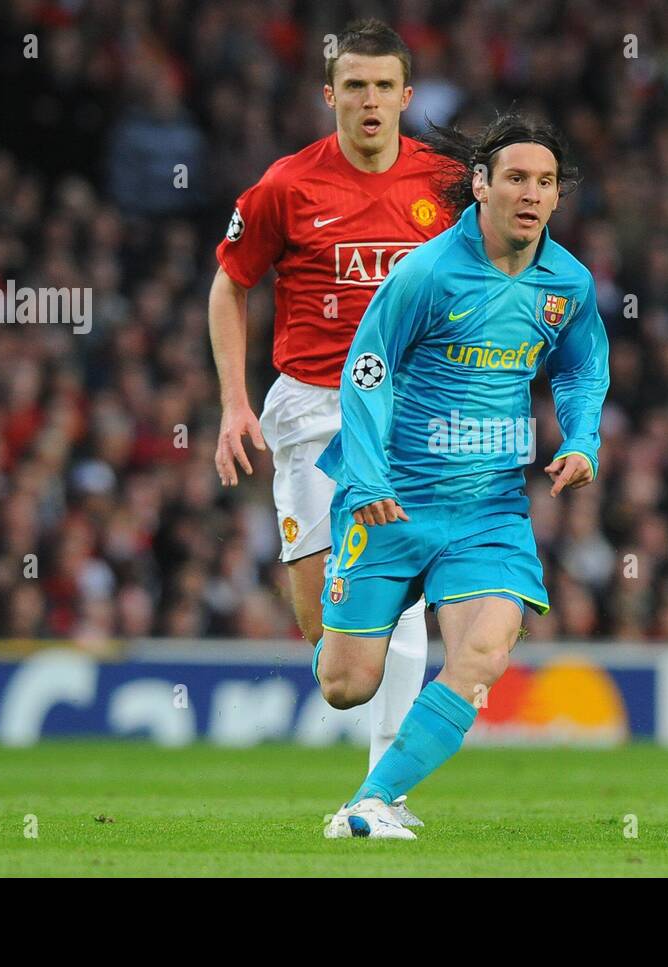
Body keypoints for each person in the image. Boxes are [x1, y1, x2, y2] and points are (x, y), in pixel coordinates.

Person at [314, 114, 610, 838]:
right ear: (480, 185)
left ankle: (372, 800)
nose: (530, 193)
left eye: (545, 182)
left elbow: (580, 365)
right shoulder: (427, 272)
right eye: (515, 177)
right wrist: (368, 475)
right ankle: (334, 620)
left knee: (483, 654)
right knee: (346, 685)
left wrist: (582, 437)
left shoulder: (567, 282)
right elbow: (367, 370)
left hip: (489, 511)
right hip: (393, 499)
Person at [209, 19, 450, 827]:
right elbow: (228, 282)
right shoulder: (285, 186)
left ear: (406, 96)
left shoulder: (449, 187)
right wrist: (234, 403)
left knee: (403, 595)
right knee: (337, 656)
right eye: (356, 86)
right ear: (331, 95)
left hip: (409, 412)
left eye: (385, 86)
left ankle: (381, 795)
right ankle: (354, 666)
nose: (371, 100)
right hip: (310, 409)